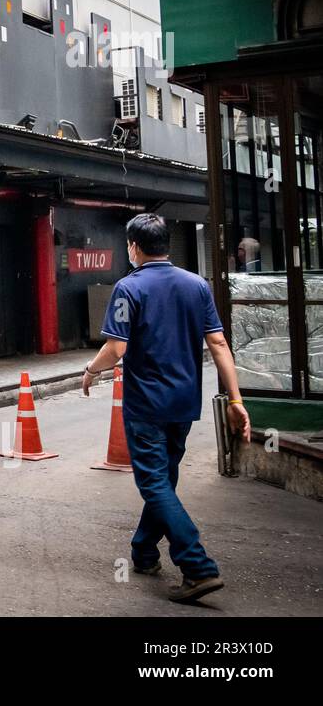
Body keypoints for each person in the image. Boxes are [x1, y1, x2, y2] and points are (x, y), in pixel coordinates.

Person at [82, 213, 251, 604]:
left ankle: (197, 566)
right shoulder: (197, 285)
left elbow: (117, 348)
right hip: (183, 405)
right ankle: (143, 550)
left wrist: (90, 370)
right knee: (164, 480)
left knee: (153, 482)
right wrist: (236, 400)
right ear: (166, 246)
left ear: (134, 247)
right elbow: (220, 345)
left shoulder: (128, 287)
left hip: (146, 406)